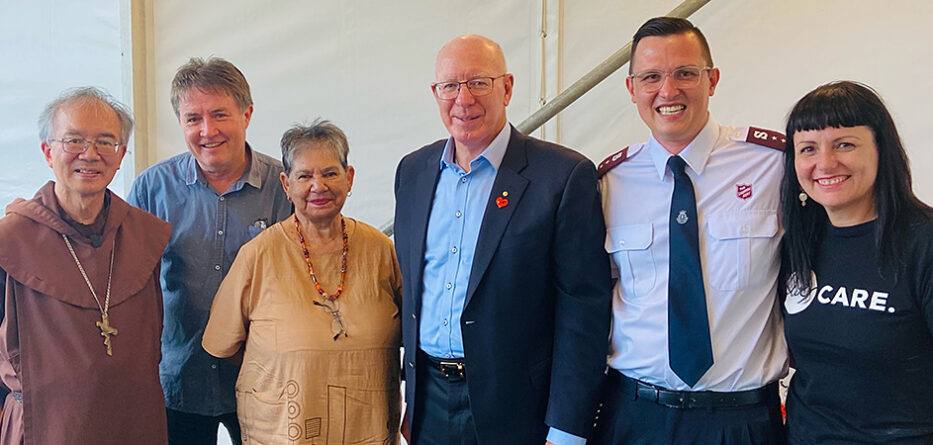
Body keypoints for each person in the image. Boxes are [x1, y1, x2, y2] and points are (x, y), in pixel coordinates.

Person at [394, 34, 611, 445]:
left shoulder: (561, 177)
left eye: (478, 82)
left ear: (507, 87)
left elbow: (583, 311)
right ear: (435, 93)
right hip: (429, 403)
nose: (463, 99)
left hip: (520, 409)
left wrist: (567, 428)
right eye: (450, 86)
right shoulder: (413, 172)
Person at [593, 17, 787, 444]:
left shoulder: (773, 165)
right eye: (651, 77)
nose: (668, 90)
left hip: (741, 421)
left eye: (685, 73)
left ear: (712, 80)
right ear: (631, 89)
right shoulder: (608, 183)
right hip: (635, 416)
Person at [202, 120, 402, 444]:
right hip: (282, 432)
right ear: (286, 184)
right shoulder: (258, 255)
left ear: (349, 178)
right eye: (305, 176)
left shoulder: (381, 249)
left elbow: (416, 333)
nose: (318, 186)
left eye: (330, 173)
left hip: (368, 431)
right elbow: (223, 345)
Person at [128, 57, 292, 445]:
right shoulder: (152, 189)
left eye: (220, 114)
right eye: (193, 119)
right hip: (176, 380)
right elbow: (127, 286)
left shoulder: (284, 186)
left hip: (264, 382)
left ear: (247, 114)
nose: (207, 131)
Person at [0, 87, 170, 444]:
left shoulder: (144, 234)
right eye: (74, 140)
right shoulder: (10, 241)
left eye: (106, 142)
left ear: (121, 154)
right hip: (48, 426)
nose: (90, 155)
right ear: (48, 152)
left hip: (134, 421)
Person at [780, 81, 933, 444]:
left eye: (845, 144)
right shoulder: (798, 244)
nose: (825, 163)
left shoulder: (922, 243)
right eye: (808, 149)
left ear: (882, 149)